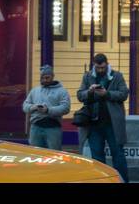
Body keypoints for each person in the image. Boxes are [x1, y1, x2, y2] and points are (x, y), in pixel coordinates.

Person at [77, 53, 129, 182]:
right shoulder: (88, 76)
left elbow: (124, 94)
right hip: (94, 124)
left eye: (103, 68)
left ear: (107, 64)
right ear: (94, 65)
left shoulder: (117, 76)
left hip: (113, 124)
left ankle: (122, 181)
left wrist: (107, 94)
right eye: (98, 68)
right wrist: (89, 91)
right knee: (97, 158)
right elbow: (79, 95)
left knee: (118, 156)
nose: (100, 70)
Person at [23, 65, 70, 150]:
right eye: (42, 78)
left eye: (47, 77)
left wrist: (48, 110)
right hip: (36, 126)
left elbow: (66, 108)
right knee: (35, 154)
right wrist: (33, 107)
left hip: (53, 127)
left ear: (52, 76)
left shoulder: (62, 91)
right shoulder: (35, 91)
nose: (44, 80)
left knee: (54, 154)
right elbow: (25, 106)